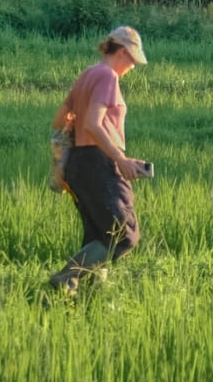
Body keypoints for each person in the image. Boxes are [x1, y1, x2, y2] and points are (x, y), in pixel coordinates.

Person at [48, 25, 149, 291]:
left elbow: (59, 121)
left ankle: (95, 297)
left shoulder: (88, 74)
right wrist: (120, 159)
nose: (133, 67)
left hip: (78, 163)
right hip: (98, 164)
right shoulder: (107, 77)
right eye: (133, 60)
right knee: (123, 235)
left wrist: (76, 123)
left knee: (99, 235)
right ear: (124, 52)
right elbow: (94, 124)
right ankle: (65, 278)